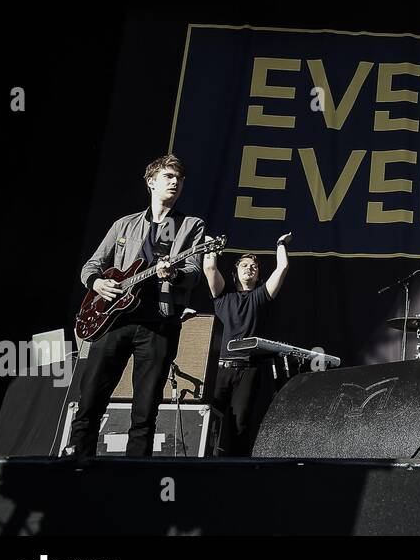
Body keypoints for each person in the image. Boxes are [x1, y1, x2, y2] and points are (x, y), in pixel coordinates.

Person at [69, 154, 205, 457]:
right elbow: (92, 265)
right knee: (91, 397)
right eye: (169, 176)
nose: (175, 182)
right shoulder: (124, 225)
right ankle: (78, 461)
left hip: (158, 324)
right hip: (113, 321)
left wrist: (175, 273)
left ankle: (135, 474)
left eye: (180, 178)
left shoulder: (190, 225)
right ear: (151, 182)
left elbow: (194, 272)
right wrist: (96, 284)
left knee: (145, 408)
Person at [203, 233, 292, 456]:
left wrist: (280, 244)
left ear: (258, 274)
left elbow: (281, 268)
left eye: (254, 266)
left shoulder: (260, 297)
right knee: (207, 420)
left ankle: (235, 472)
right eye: (244, 265)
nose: (249, 268)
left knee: (240, 425)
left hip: (246, 371)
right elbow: (210, 269)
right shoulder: (223, 296)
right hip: (219, 370)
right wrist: (210, 248)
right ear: (234, 272)